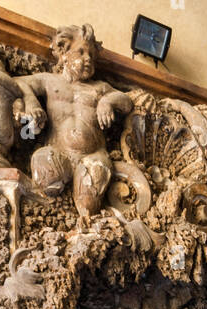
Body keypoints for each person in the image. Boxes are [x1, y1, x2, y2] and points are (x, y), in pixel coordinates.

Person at [17, 24, 132, 222]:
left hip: (92, 156)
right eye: (81, 51)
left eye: (91, 56)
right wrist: (30, 100)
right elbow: (19, 82)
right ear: (63, 54)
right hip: (57, 153)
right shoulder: (50, 81)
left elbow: (127, 102)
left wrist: (107, 101)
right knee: (45, 175)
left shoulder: (99, 88)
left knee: (88, 207)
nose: (87, 58)